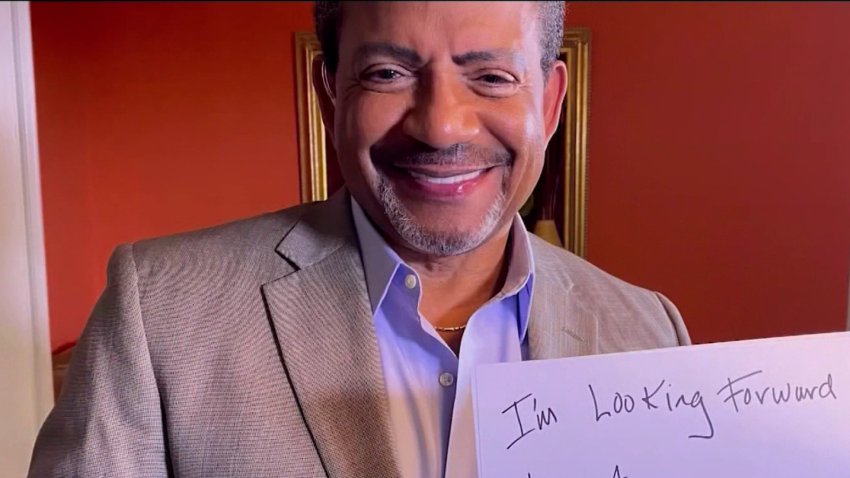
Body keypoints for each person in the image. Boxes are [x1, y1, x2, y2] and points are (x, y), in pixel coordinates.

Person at [29, 2, 690, 477]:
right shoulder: (160, 313)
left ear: (547, 104)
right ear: (330, 97)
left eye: (491, 77)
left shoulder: (650, 332)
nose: (441, 126)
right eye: (387, 73)